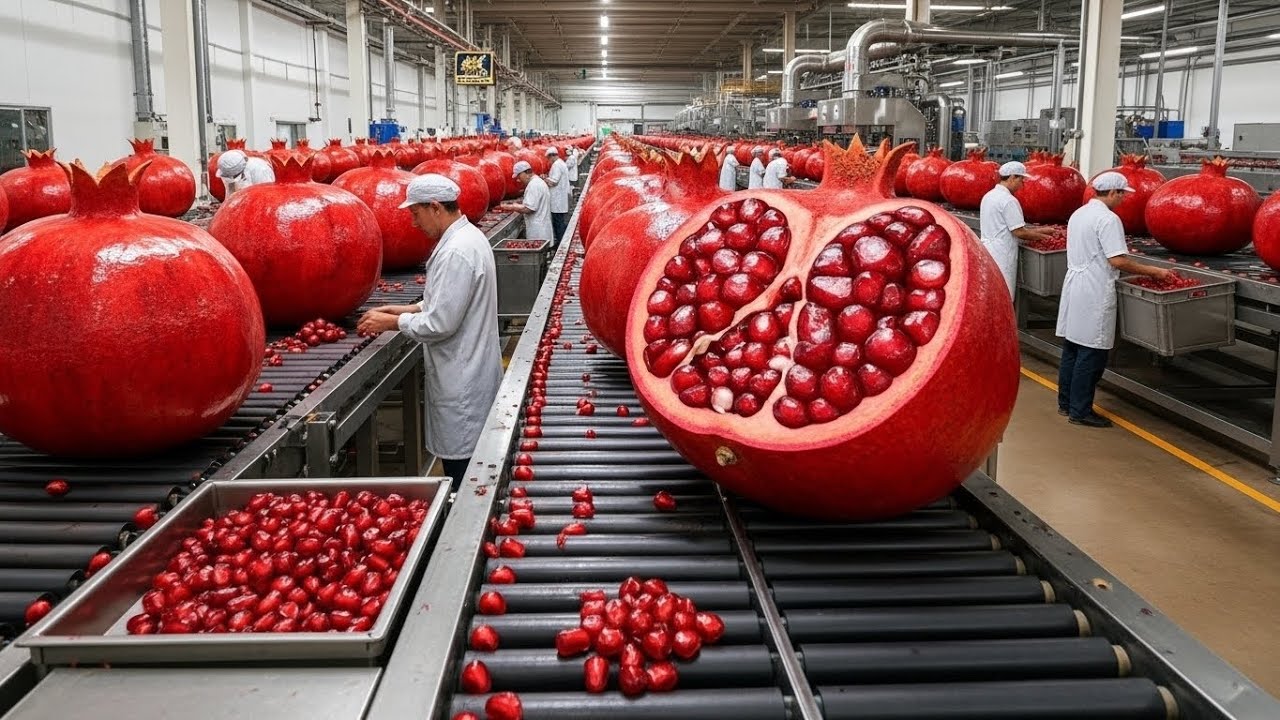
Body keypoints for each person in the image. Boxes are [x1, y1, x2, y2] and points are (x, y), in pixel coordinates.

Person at [356, 174, 502, 484]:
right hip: (470, 371)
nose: (413, 223)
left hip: (463, 382)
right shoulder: (468, 239)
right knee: (470, 462)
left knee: (465, 475)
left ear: (435, 207)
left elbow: (441, 323)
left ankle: (461, 528)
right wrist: (408, 308)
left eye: (415, 213)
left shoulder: (455, 252)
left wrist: (393, 322)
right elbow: (449, 301)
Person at [1055, 171, 1174, 428]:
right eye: (1122, 194)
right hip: (1094, 288)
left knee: (1072, 348)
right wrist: (1156, 271)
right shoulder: (1108, 220)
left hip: (1076, 285)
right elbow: (1117, 260)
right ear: (1113, 193)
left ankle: (1066, 403)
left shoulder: (1079, 213)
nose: (1123, 200)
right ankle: (1080, 411)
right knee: (1091, 352)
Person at [979, 161, 1056, 297]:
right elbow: (1019, 232)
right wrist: (1045, 238)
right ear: (1012, 177)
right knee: (1003, 295)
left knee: (989, 293)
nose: (1022, 184)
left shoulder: (988, 196)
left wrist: (1044, 230)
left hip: (987, 251)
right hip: (1002, 254)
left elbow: (1016, 227)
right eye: (1021, 179)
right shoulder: (1008, 200)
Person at [496, 160, 553, 243]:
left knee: (537, 254)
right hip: (541, 228)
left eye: (519, 177)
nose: (518, 180)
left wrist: (510, 207)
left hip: (538, 232)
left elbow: (528, 208)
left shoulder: (534, 185)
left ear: (525, 173)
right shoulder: (537, 182)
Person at [545, 146, 570, 243]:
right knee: (560, 221)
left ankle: (561, 242)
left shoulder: (556, 165)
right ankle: (562, 240)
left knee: (558, 222)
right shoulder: (561, 163)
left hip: (557, 199)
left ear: (551, 156)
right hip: (560, 197)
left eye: (548, 158)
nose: (549, 161)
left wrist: (544, 180)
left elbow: (554, 182)